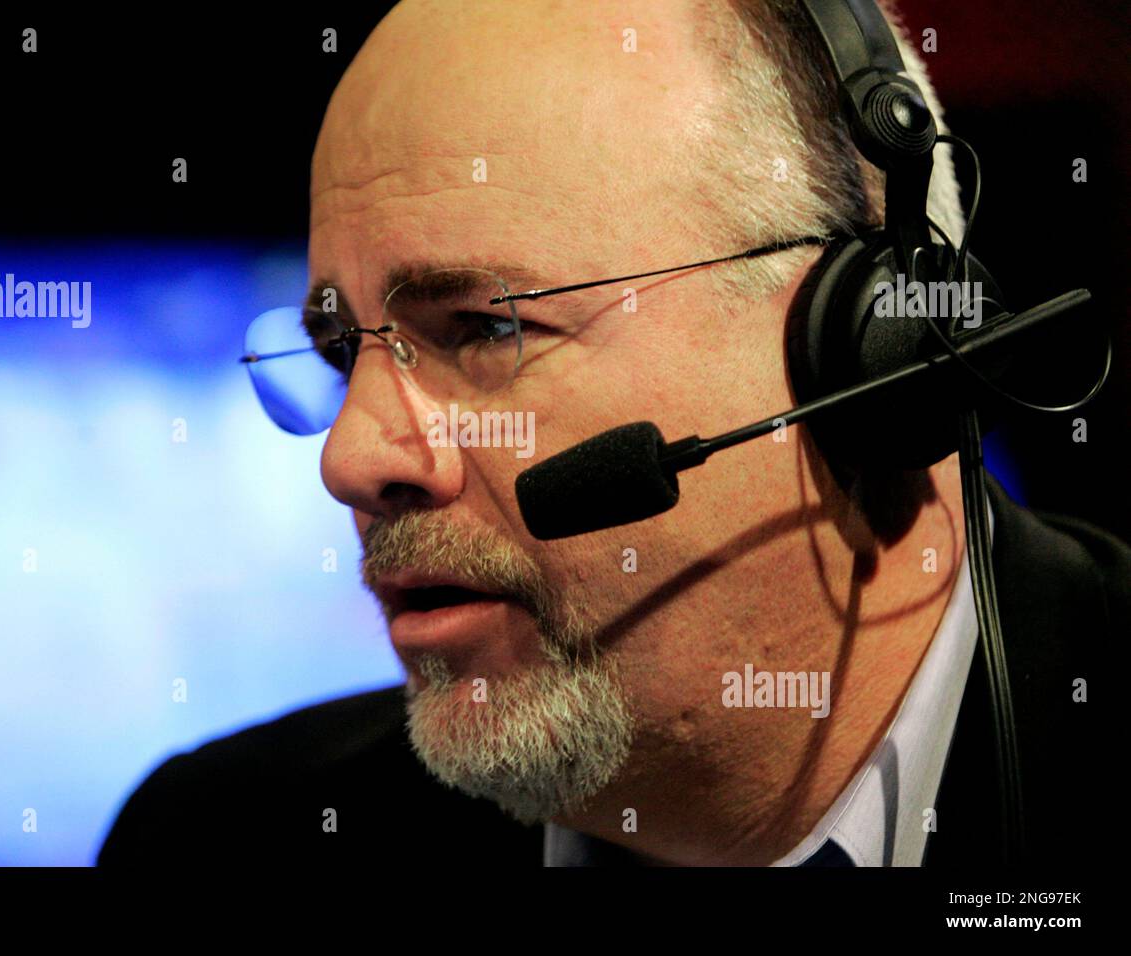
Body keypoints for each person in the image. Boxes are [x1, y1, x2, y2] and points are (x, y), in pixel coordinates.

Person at [98, 0, 1125, 867]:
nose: (353, 459)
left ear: (878, 353)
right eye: (338, 347)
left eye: (486, 325)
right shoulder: (225, 839)